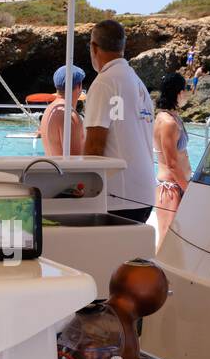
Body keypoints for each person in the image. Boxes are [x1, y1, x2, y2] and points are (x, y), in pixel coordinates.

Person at [82, 19, 157, 222]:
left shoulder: (104, 83)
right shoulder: (136, 81)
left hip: (119, 197)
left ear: (94, 47)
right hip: (144, 193)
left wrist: (82, 192)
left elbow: (95, 147)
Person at [153, 72, 192, 249]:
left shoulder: (174, 118)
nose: (187, 94)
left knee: (178, 243)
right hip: (171, 188)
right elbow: (172, 163)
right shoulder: (167, 122)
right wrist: (188, 190)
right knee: (167, 241)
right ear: (179, 93)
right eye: (186, 89)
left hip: (178, 185)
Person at [39, 65, 85, 157]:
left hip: (52, 169)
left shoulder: (49, 109)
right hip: (63, 171)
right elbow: (75, 162)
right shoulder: (70, 115)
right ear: (79, 86)